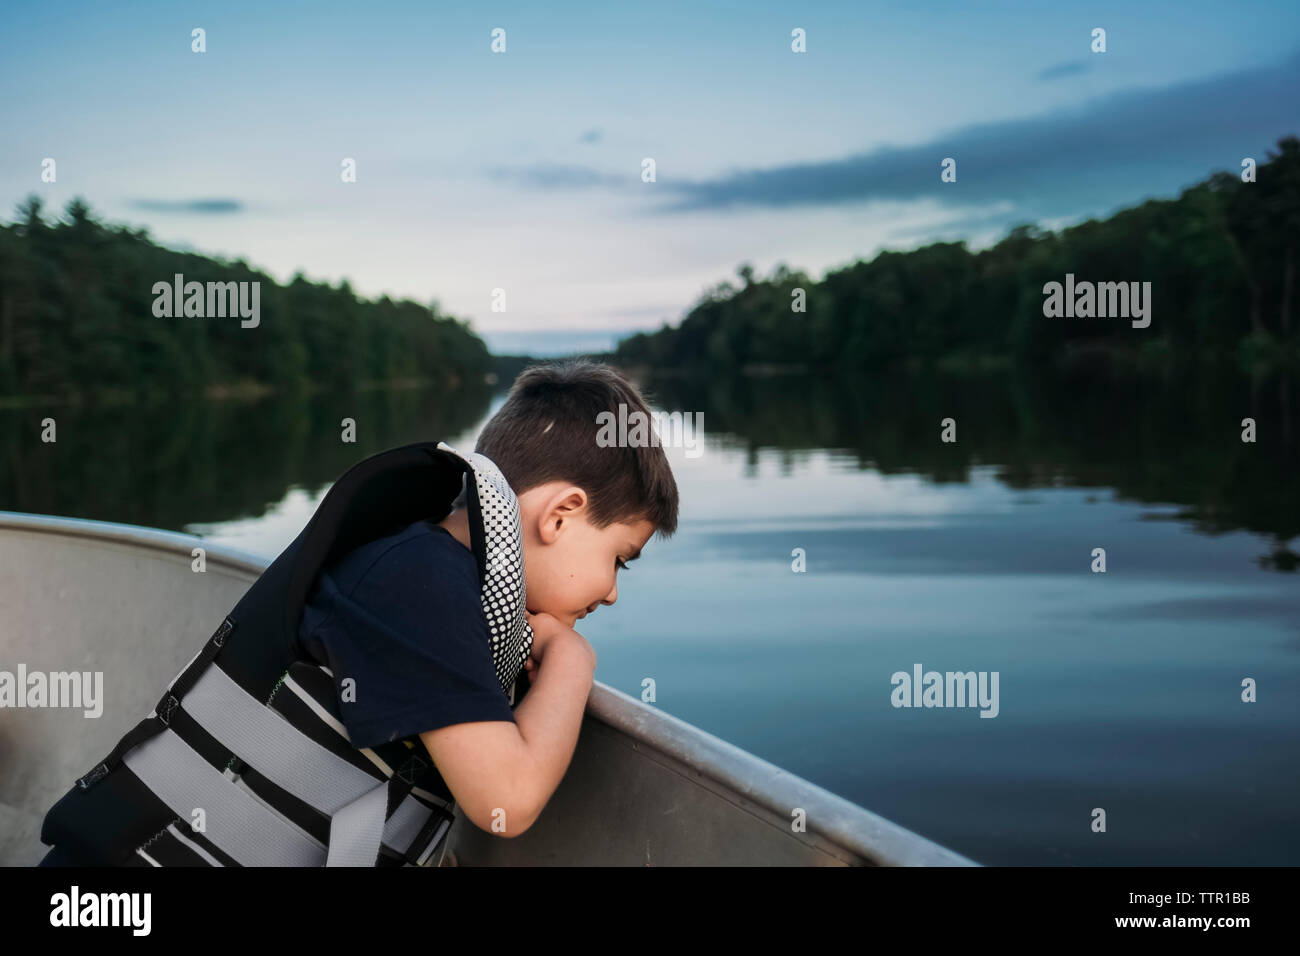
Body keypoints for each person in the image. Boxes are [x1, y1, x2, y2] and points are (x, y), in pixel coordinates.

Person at [39, 359, 678, 864]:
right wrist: (571, 659)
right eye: (619, 558)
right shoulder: (418, 582)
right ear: (560, 514)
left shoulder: (442, 582)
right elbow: (506, 799)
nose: (613, 592)